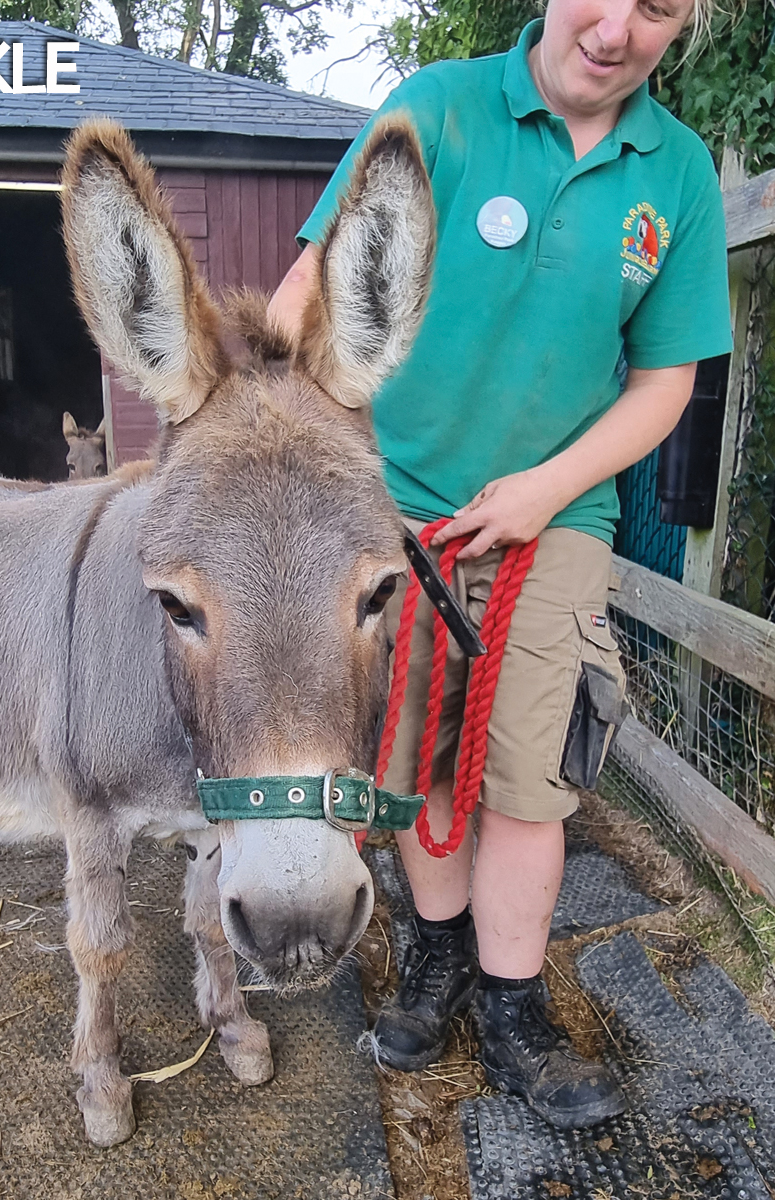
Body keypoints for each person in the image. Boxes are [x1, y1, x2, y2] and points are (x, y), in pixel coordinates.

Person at [268, 0, 730, 1130]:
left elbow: (662, 382)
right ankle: (437, 960)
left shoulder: (673, 174)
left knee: (529, 776)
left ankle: (514, 1002)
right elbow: (305, 300)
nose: (616, 28)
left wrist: (536, 494)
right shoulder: (438, 113)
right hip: (399, 510)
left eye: (658, 7)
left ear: (684, 25)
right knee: (422, 755)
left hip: (555, 513)